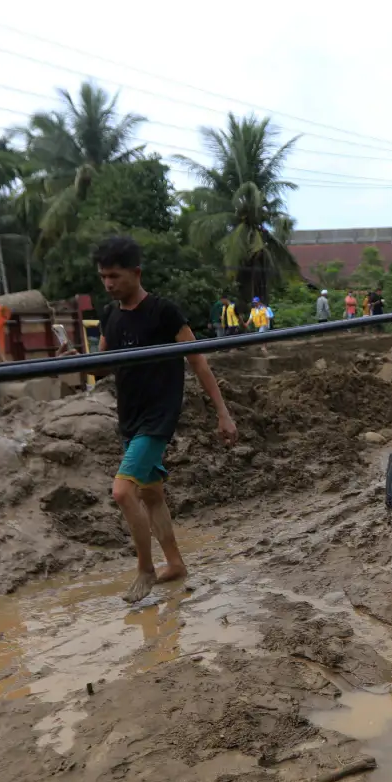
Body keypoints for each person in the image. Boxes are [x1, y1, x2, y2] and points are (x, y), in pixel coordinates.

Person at [92, 235, 239, 603]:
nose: (109, 284)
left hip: (158, 416)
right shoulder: (109, 316)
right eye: (103, 277)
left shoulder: (163, 312)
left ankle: (145, 568)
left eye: (115, 276)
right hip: (130, 414)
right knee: (150, 493)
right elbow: (101, 362)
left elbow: (198, 360)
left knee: (122, 491)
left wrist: (223, 413)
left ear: (136, 273)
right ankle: (174, 563)